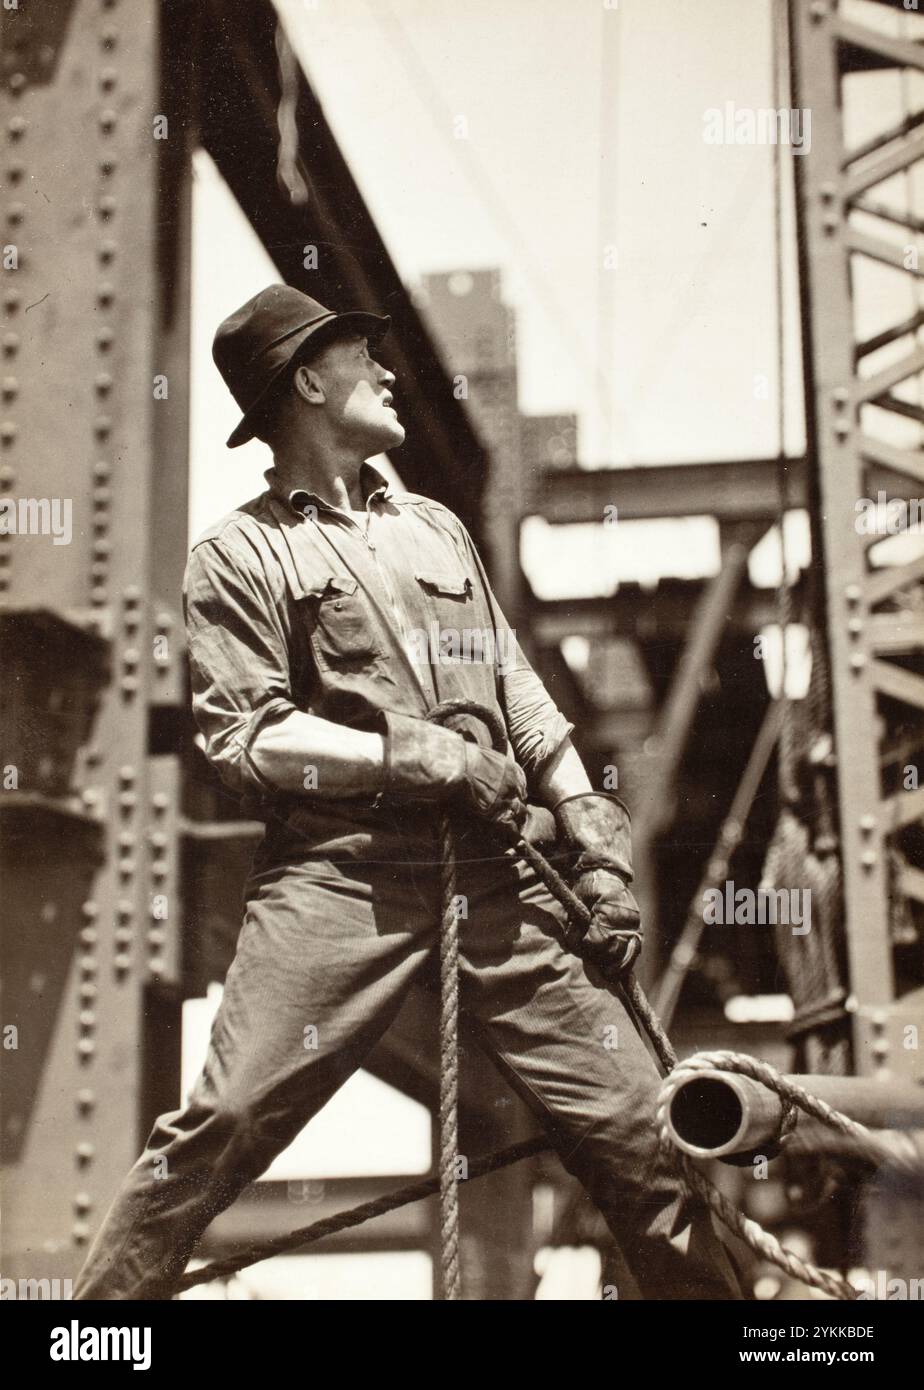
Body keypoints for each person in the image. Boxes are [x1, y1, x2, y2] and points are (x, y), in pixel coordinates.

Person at [73, 283, 743, 1301]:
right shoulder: (239, 556)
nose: (388, 373)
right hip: (340, 880)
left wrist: (591, 829)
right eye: (362, 356)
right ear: (308, 382)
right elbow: (248, 738)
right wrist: (413, 757)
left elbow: (516, 691)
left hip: (497, 872)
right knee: (224, 1122)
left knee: (644, 1128)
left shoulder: (434, 528)